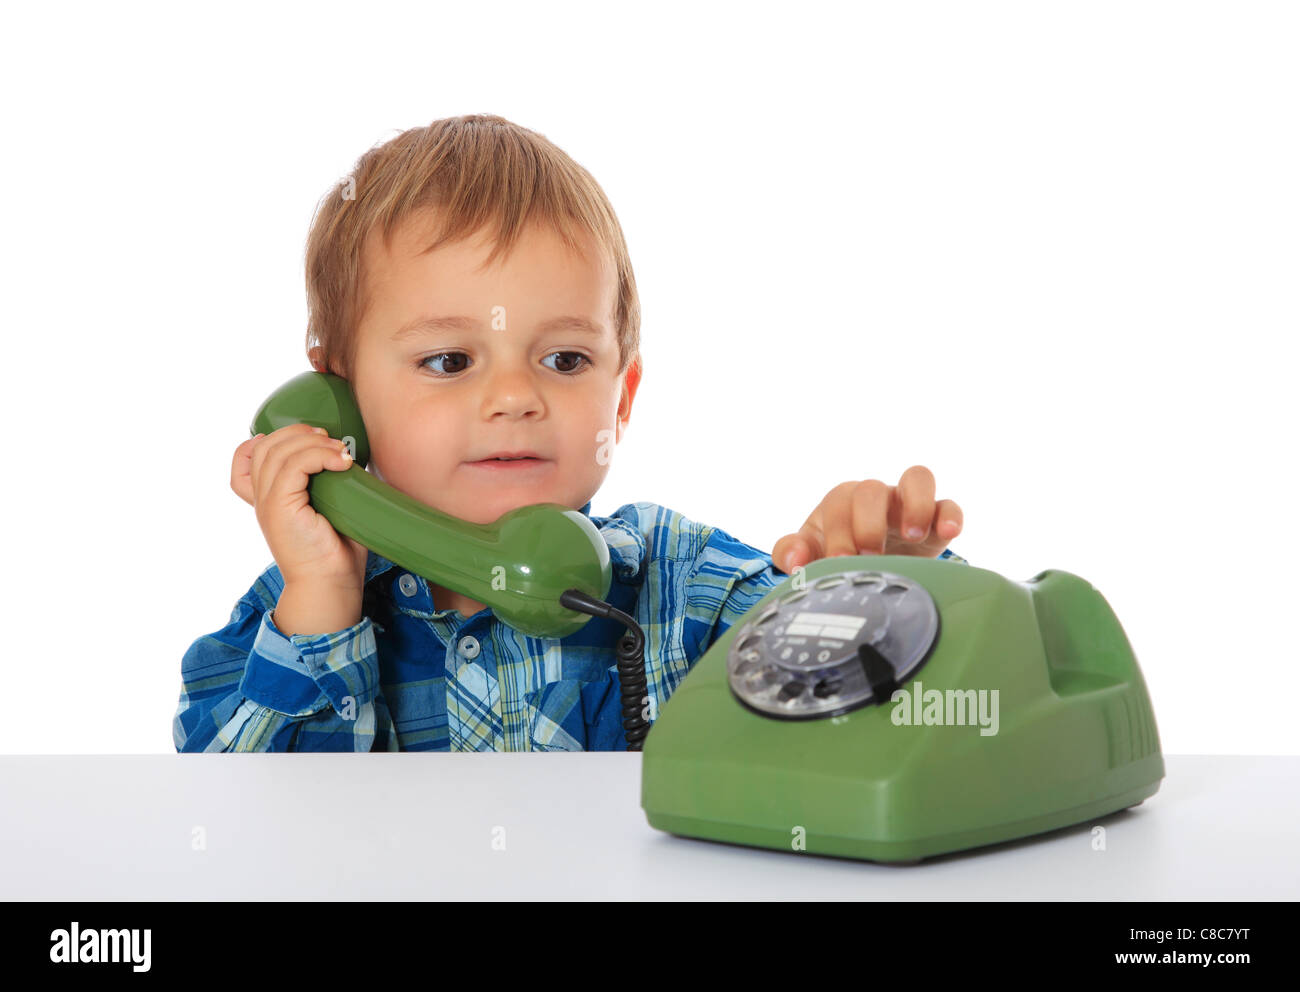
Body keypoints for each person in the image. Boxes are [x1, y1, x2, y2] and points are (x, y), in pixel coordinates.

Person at [174, 113, 968, 753]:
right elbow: (250, 840)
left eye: (563, 357)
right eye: (450, 359)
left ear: (621, 399)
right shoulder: (279, 622)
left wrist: (883, 592)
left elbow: (908, 735)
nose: (515, 396)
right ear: (335, 402)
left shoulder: (685, 587)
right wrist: (322, 609)